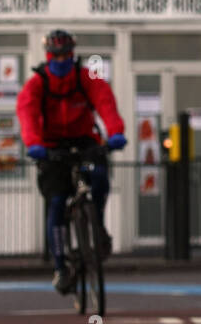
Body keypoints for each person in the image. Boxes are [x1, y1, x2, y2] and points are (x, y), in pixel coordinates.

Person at [16, 30, 127, 294]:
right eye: (56, 55)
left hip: (84, 142)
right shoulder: (37, 84)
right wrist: (33, 144)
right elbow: (27, 113)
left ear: (73, 54)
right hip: (51, 148)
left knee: (99, 176)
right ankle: (60, 267)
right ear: (48, 56)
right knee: (56, 202)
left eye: (67, 55)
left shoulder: (87, 78)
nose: (62, 60)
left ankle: (97, 226)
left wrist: (116, 133)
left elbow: (106, 104)